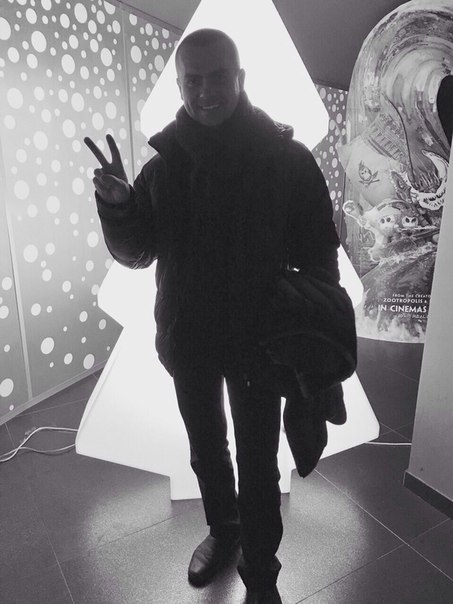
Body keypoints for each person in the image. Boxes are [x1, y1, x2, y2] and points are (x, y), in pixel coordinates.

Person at [85, 28, 342, 604]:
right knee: (206, 449)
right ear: (180, 86)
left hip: (261, 341)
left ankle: (261, 567)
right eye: (193, 80)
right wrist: (120, 207)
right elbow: (138, 252)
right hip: (190, 338)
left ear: (240, 78)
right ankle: (224, 531)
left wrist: (314, 343)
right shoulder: (165, 168)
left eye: (218, 77)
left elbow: (319, 255)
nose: (205, 91)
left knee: (258, 461)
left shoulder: (286, 160)